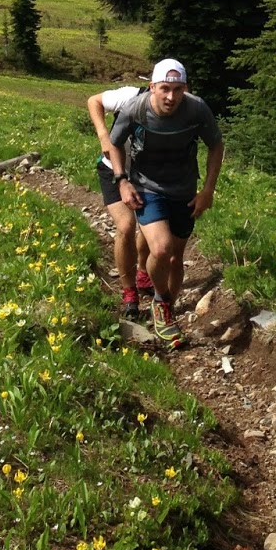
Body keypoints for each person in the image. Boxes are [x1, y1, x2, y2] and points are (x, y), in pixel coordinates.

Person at [104, 57, 224, 349]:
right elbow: (114, 143)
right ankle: (160, 303)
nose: (171, 97)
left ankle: (167, 308)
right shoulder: (136, 109)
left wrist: (208, 190)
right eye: (165, 88)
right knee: (162, 248)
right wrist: (122, 181)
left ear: (185, 88)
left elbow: (216, 145)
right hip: (148, 187)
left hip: (184, 189)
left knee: (176, 257)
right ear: (152, 86)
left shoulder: (196, 109)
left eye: (178, 89)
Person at [86, 83, 155, 318]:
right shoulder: (128, 96)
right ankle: (129, 292)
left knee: (149, 225)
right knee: (126, 226)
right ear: (151, 86)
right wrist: (104, 135)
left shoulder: (176, 109)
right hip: (112, 170)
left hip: (147, 175)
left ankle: (143, 272)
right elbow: (93, 101)